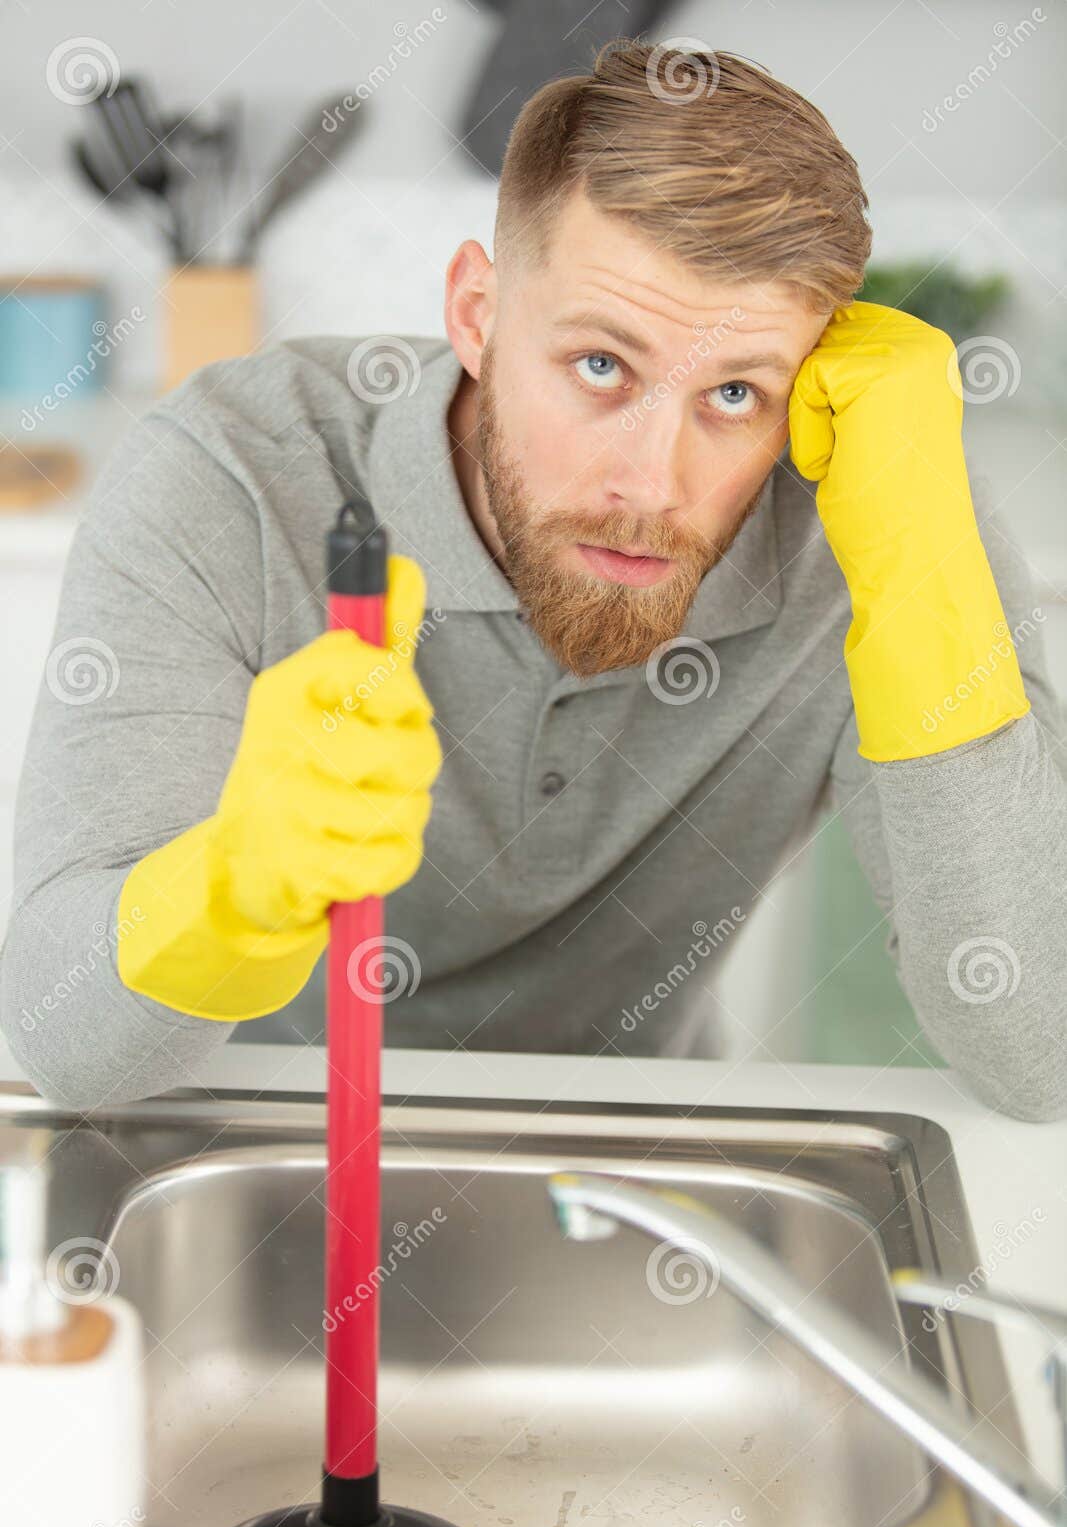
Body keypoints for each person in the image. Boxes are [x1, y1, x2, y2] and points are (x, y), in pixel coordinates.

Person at [2, 42, 1064, 1120]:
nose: (649, 484)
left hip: (639, 1155)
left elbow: (1040, 1056)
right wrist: (227, 891)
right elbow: (64, 1048)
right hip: (256, 1126)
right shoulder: (232, 474)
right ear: (475, 313)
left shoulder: (881, 511)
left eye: (735, 393)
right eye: (601, 366)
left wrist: (927, 558)